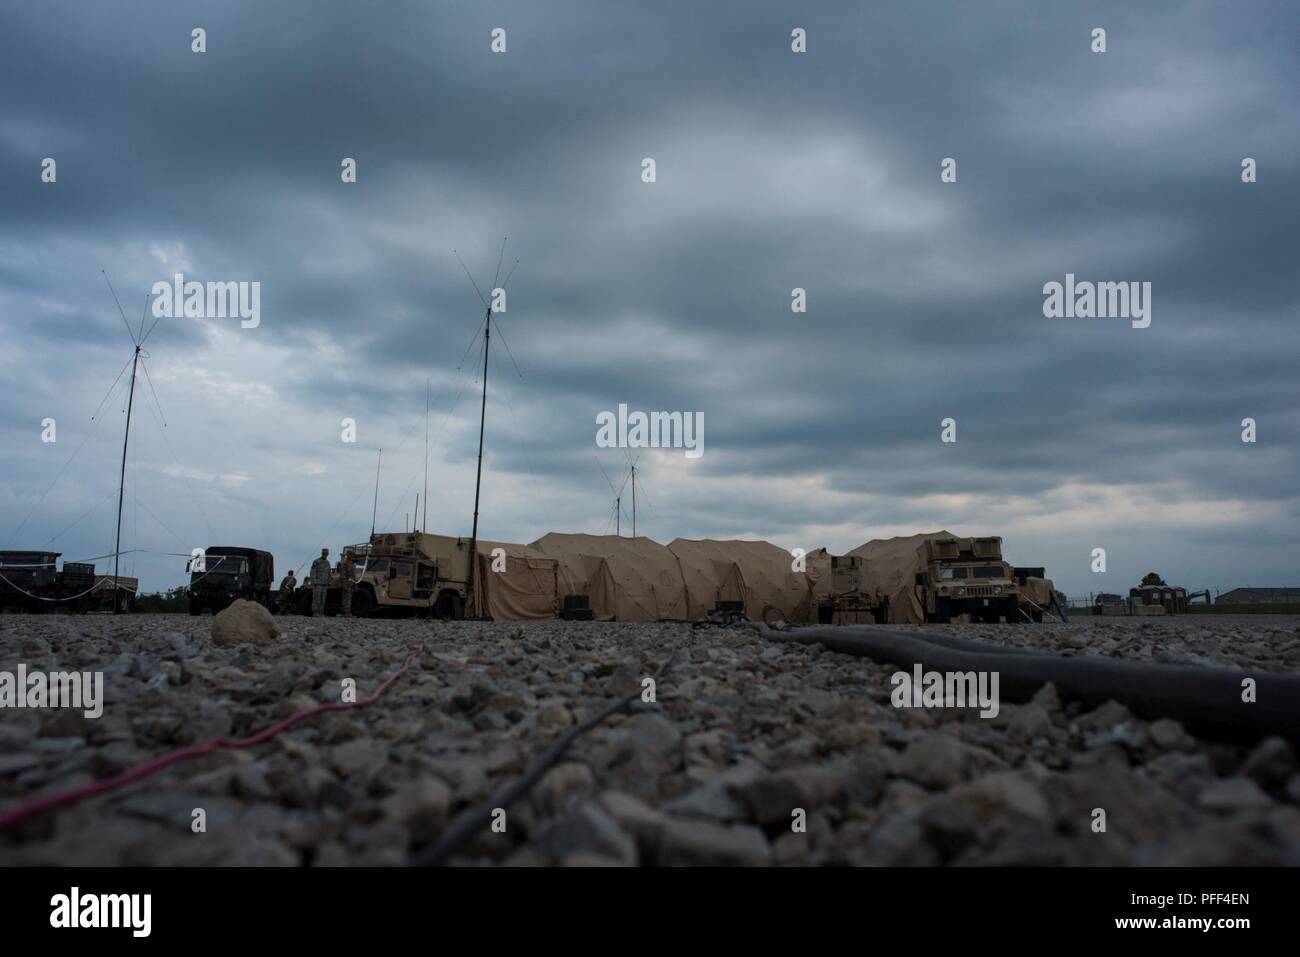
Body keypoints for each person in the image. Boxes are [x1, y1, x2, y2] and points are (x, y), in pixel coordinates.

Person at [310, 548, 332, 617]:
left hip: (325, 583)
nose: (325, 554)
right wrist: (313, 581)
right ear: (322, 553)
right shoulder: (316, 561)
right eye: (324, 553)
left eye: (326, 553)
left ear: (328, 554)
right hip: (318, 583)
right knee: (317, 598)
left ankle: (321, 612)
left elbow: (329, 573)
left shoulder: (328, 562)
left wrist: (329, 581)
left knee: (323, 599)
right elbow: (312, 572)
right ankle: (315, 612)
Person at [339, 549, 357, 618]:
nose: (352, 556)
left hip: (351, 583)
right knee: (346, 598)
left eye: (352, 555)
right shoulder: (345, 563)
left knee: (349, 598)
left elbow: (353, 574)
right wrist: (344, 583)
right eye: (351, 555)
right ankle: (345, 612)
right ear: (348, 555)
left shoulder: (352, 563)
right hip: (346, 582)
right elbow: (342, 574)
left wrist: (355, 582)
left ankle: (347, 612)